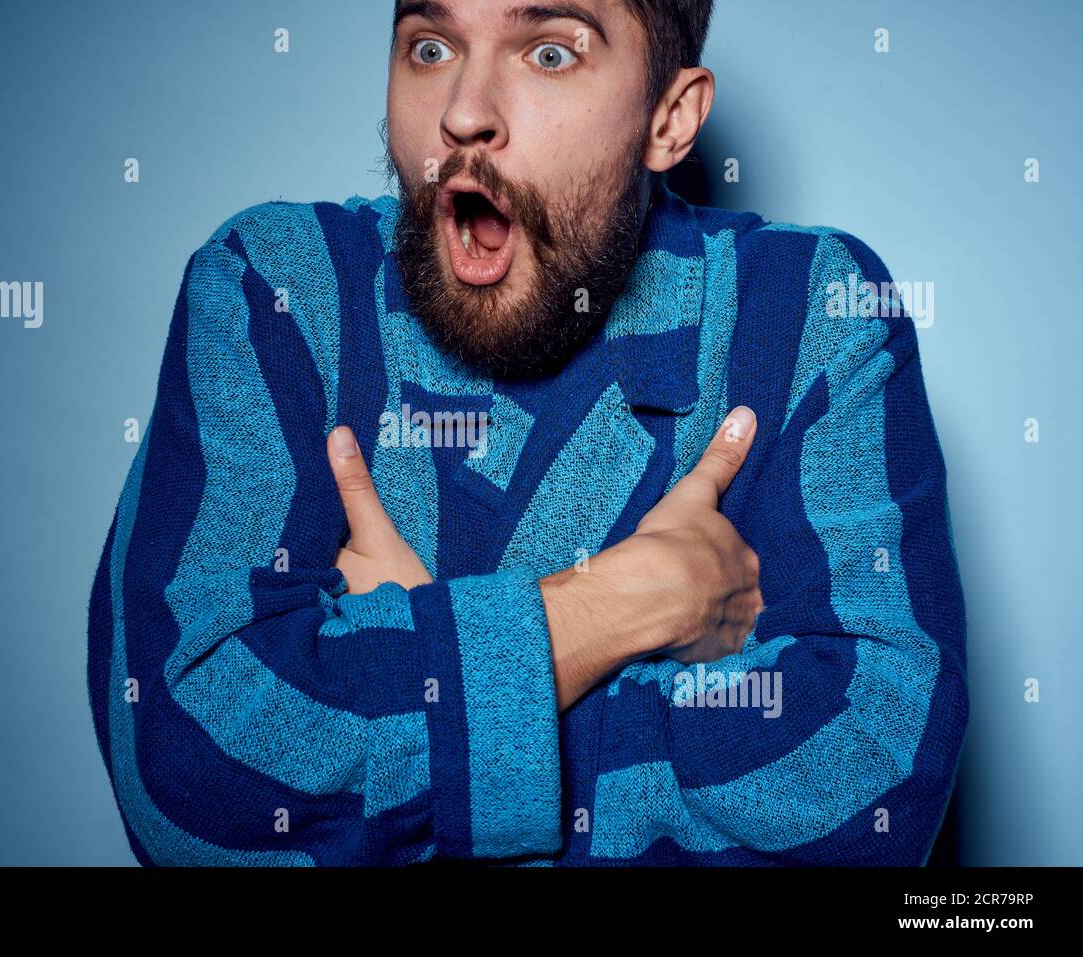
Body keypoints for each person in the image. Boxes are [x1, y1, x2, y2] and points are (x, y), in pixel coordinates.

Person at [87, 0, 968, 865]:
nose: (463, 114)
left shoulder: (813, 310)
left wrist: (398, 677)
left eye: (549, 53)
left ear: (670, 119)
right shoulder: (276, 287)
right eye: (429, 48)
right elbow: (190, 770)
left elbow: (874, 786)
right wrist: (624, 603)